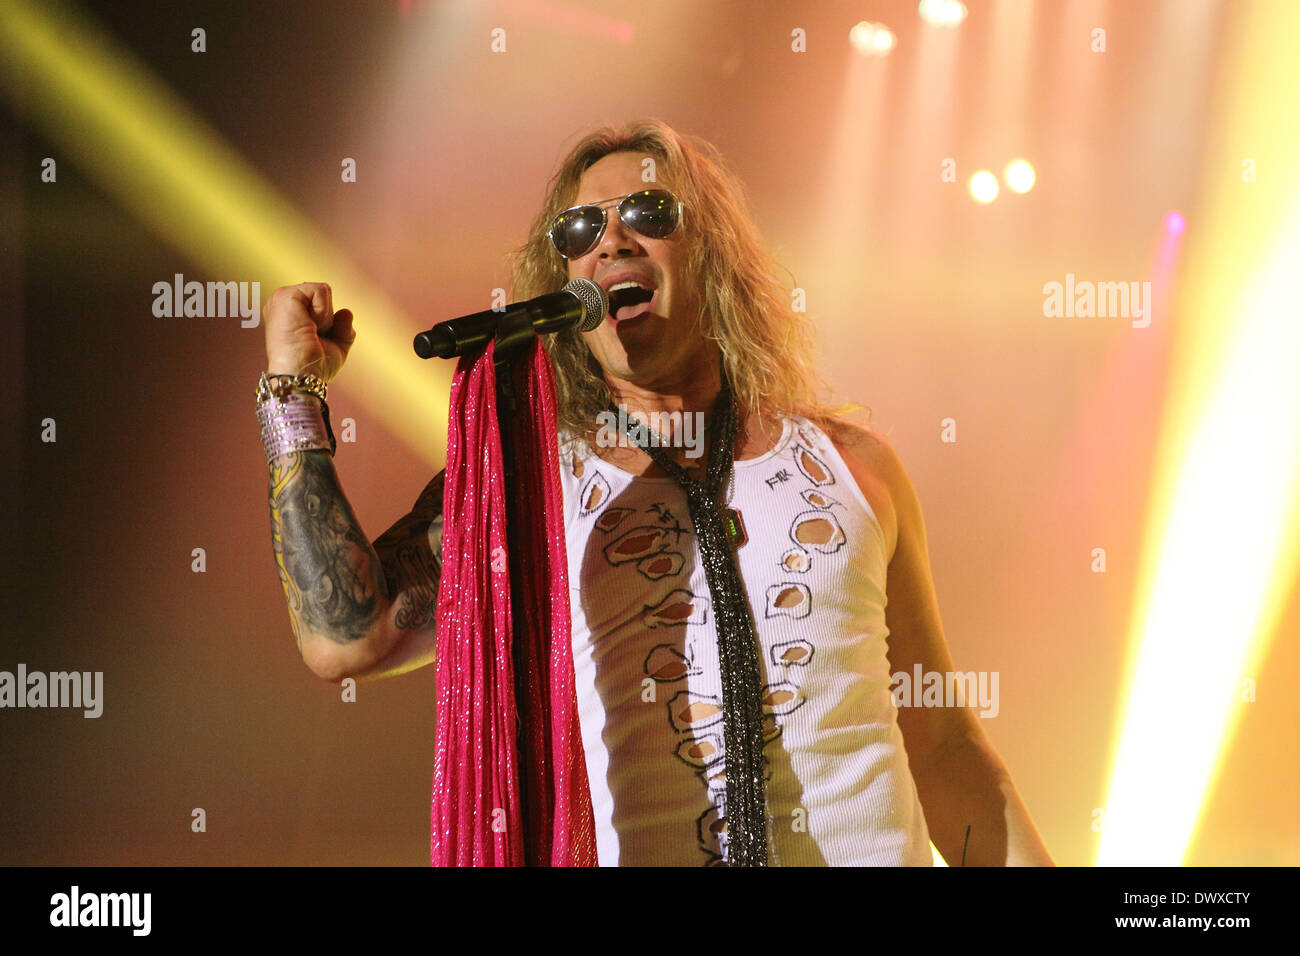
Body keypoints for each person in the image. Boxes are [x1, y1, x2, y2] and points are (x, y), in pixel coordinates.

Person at [258, 119, 1054, 867]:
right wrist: (292, 389)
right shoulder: (528, 489)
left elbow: (944, 744)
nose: (610, 239)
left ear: (712, 250)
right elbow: (345, 638)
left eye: (647, 209)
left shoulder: (856, 469)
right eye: (579, 231)